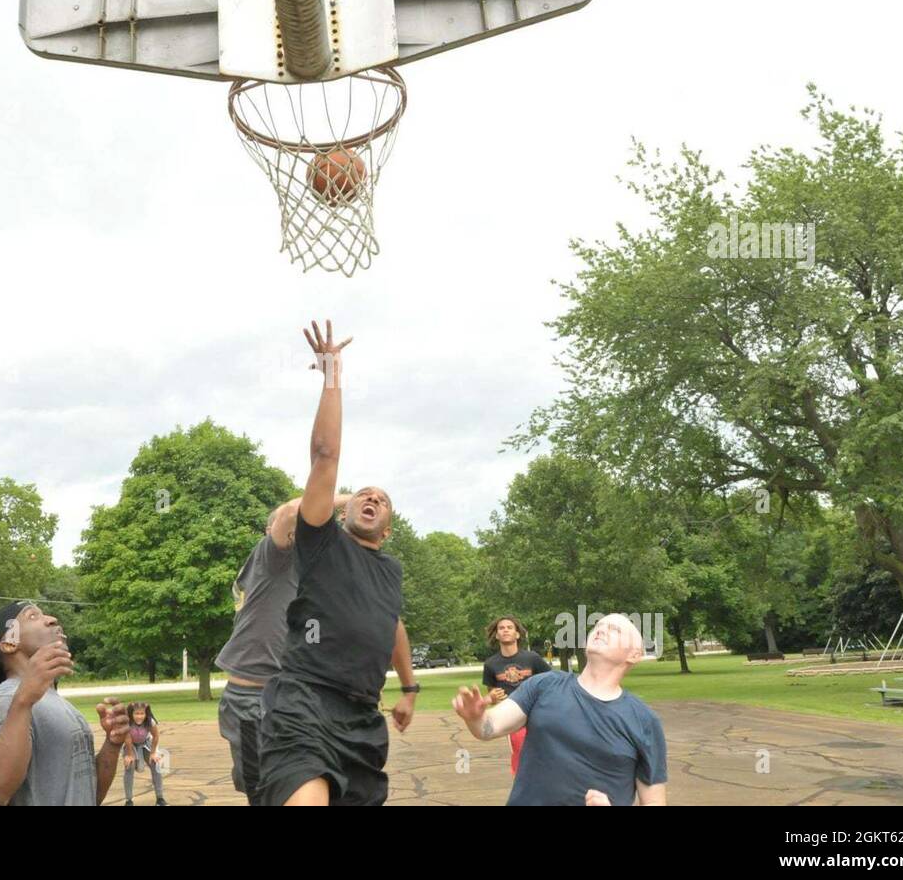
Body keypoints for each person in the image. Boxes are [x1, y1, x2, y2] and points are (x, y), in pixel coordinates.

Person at [256, 320, 419, 807]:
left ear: (387, 528)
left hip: (364, 720)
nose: (372, 497)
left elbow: (391, 625)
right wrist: (332, 376)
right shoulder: (322, 540)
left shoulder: (389, 571)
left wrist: (408, 687)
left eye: (382, 499)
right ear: (344, 510)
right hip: (304, 702)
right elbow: (325, 456)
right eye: (364, 493)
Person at [215, 491, 353, 805]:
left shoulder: (306, 577)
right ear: (274, 532)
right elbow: (292, 510)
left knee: (311, 784)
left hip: (291, 697)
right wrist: (354, 498)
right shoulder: (273, 557)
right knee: (266, 794)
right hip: (253, 703)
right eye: (298, 530)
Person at [454, 613, 668, 806]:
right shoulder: (544, 685)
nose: (601, 629)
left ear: (634, 654)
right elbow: (488, 727)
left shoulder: (644, 720)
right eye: (598, 626)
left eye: (615, 630)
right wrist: (475, 717)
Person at [0, 600, 130, 806]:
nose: (52, 619)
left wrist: (112, 744)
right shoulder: (9, 700)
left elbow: (89, 795)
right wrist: (23, 701)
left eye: (44, 614)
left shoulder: (57, 701)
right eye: (33, 616)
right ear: (9, 643)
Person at [481, 615, 551, 774]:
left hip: (537, 713)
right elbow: (492, 694)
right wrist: (492, 697)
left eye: (509, 627)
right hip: (512, 716)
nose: (505, 630)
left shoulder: (531, 658)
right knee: (520, 749)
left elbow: (550, 681)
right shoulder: (491, 664)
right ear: (497, 635)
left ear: (517, 634)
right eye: (501, 628)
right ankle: (522, 786)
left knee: (544, 751)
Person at [122, 702, 166, 806]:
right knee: (130, 765)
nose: (139, 716)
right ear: (131, 714)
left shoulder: (150, 721)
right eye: (136, 713)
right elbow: (127, 739)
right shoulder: (127, 723)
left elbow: (155, 736)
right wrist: (129, 755)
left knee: (156, 764)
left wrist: (153, 753)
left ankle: (160, 799)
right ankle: (128, 800)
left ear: (146, 714)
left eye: (142, 713)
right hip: (131, 745)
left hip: (146, 743)